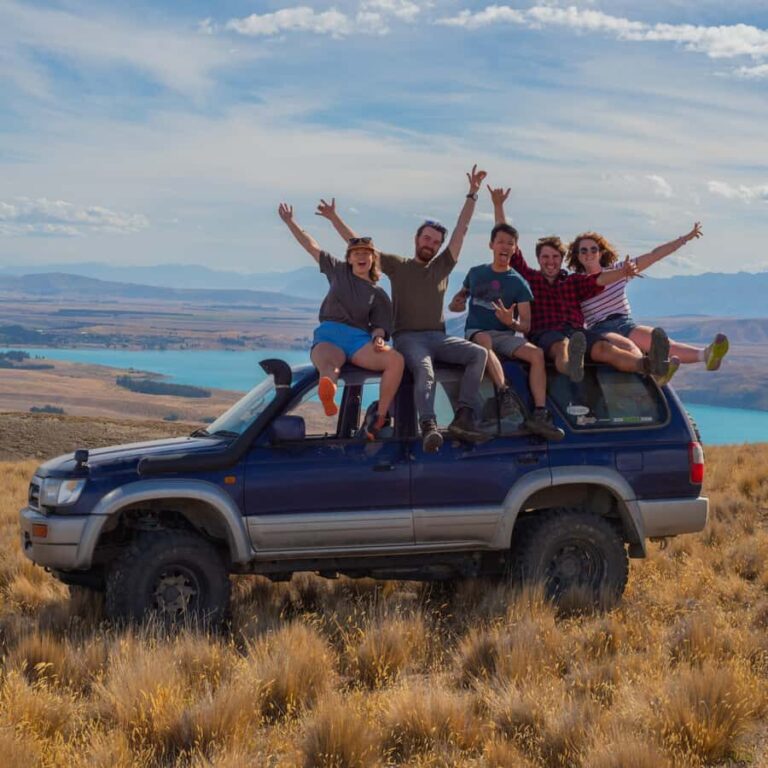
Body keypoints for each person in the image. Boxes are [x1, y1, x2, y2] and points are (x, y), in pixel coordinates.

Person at [315, 166, 489, 452]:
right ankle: (429, 425)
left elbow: (461, 230)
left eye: (435, 241)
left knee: (478, 354)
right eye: (426, 238)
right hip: (409, 338)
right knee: (425, 369)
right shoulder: (398, 265)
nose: (430, 244)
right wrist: (335, 218)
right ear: (417, 239)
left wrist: (472, 194)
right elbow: (361, 248)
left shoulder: (444, 266)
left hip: (439, 336)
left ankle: (464, 415)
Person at [489, 187, 670, 383]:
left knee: (604, 349)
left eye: (555, 257)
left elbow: (598, 279)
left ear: (562, 259)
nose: (550, 261)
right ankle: (571, 367)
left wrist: (623, 272)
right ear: (538, 259)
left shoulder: (573, 282)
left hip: (578, 334)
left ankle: (648, 365)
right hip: (546, 333)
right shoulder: (529, 278)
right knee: (561, 346)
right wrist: (498, 206)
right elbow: (508, 243)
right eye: (545, 257)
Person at [277, 203, 404, 439]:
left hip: (357, 340)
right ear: (349, 258)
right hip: (329, 334)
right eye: (356, 253)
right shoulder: (338, 270)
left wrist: (377, 337)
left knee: (395, 360)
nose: (361, 256)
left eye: (366, 253)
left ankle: (381, 416)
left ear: (372, 259)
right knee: (330, 366)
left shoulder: (378, 295)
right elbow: (310, 246)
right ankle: (329, 392)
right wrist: (290, 222)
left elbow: (380, 324)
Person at [566, 226, 729, 385]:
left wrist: (684, 239)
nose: (589, 254)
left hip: (625, 323)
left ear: (601, 252)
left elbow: (654, 255)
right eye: (584, 250)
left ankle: (706, 355)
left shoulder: (621, 269)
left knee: (663, 344)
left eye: (593, 249)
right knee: (628, 346)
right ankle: (653, 371)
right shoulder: (576, 283)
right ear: (578, 255)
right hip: (601, 329)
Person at [448, 222, 564, 441]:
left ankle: (540, 412)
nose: (505, 246)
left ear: (515, 248)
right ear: (491, 244)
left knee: (537, 354)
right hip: (478, 332)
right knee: (483, 341)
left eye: (510, 243)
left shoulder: (519, 283)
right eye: (500, 241)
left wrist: (511, 322)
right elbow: (457, 305)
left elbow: (526, 326)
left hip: (505, 335)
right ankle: (504, 393)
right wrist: (456, 304)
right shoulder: (475, 273)